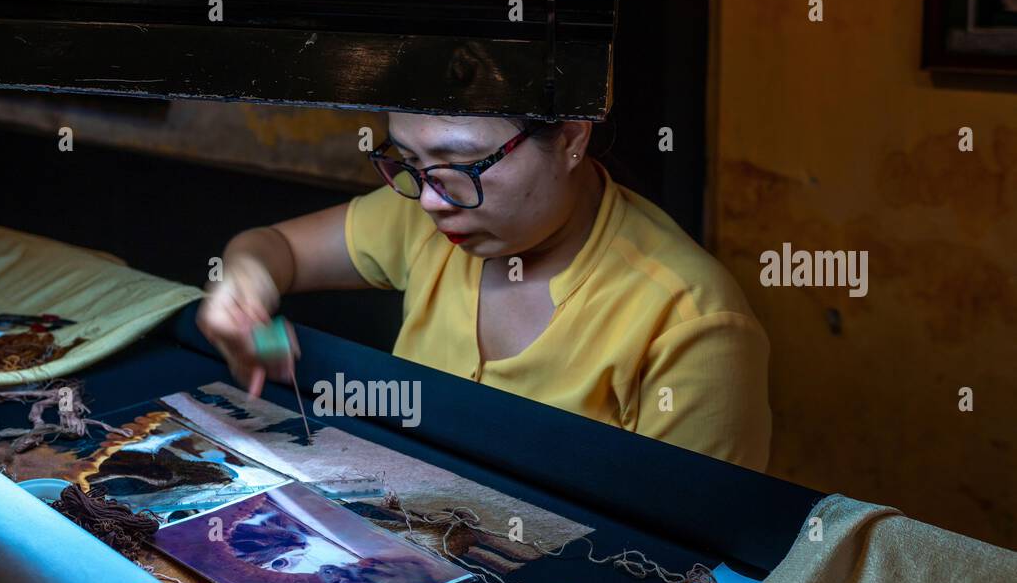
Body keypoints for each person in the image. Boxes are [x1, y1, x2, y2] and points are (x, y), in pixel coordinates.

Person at [197, 114, 771, 471]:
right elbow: (276, 248)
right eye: (411, 162)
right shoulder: (430, 218)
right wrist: (243, 286)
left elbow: (686, 576)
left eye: (463, 164)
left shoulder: (690, 323)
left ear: (571, 137)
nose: (429, 199)